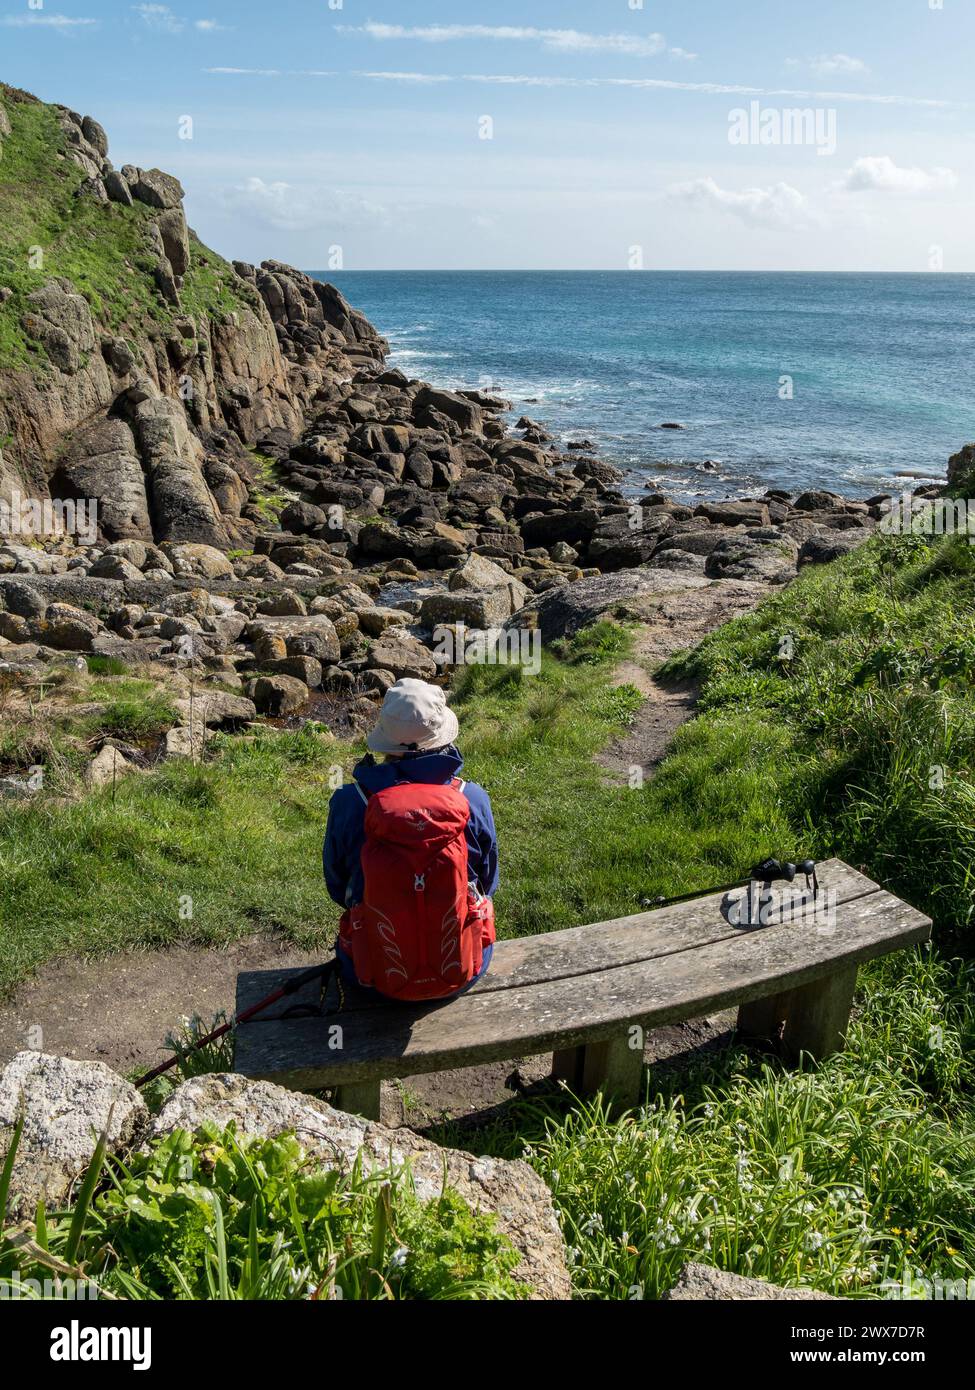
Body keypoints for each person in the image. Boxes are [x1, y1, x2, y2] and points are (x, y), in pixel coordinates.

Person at [323, 678, 498, 1002]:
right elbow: (487, 883)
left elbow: (337, 887)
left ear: (386, 741)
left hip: (371, 976)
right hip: (463, 969)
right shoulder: (471, 798)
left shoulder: (350, 802)